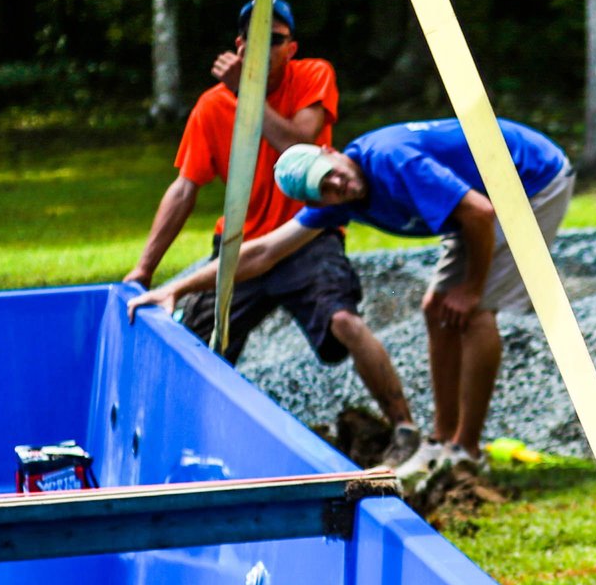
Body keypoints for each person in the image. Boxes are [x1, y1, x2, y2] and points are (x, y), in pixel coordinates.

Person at [136, 117, 571, 484]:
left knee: (473, 313)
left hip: (531, 180)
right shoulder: (337, 198)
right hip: (481, 201)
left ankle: (467, 452)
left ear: (330, 149)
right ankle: (441, 442)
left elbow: (479, 213)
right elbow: (264, 252)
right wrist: (179, 287)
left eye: (333, 176)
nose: (339, 188)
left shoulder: (389, 161)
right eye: (324, 192)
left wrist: (471, 289)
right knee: (436, 309)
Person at [124, 0, 419, 464]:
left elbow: (298, 145)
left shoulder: (313, 76)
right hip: (241, 247)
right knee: (193, 345)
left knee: (344, 321)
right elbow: (184, 189)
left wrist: (247, 95)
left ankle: (404, 430)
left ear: (291, 47)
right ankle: (179, 444)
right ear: (240, 46)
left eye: (275, 39)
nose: (264, 47)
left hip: (308, 235)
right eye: (254, 38)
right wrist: (143, 271)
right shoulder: (210, 107)